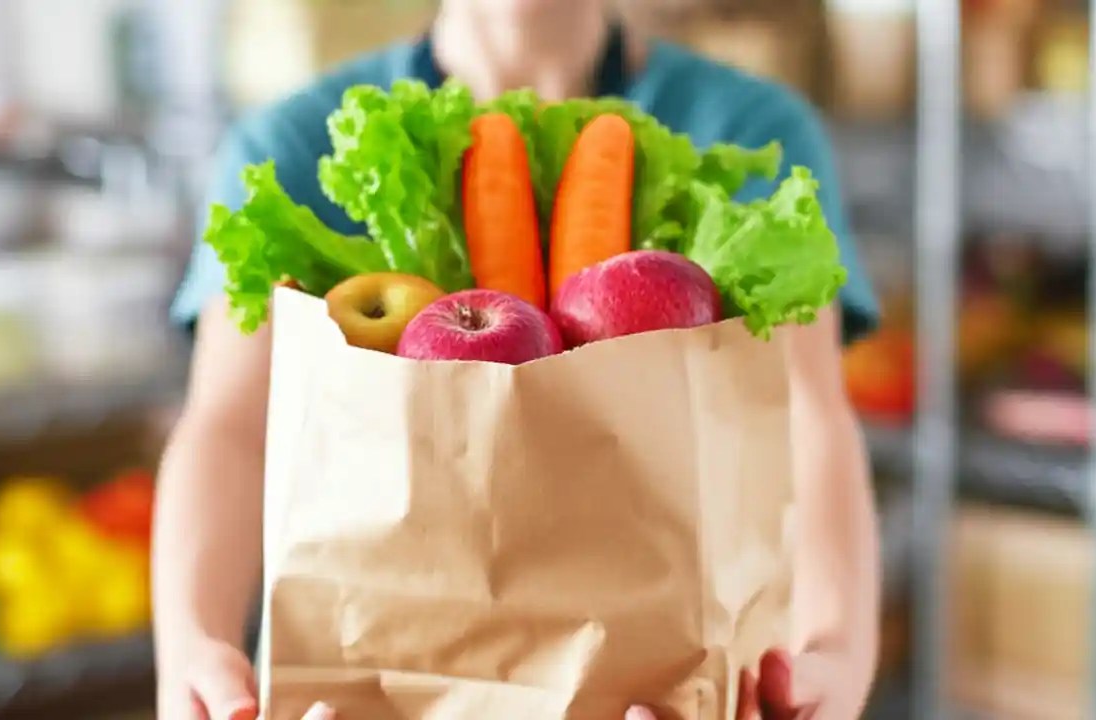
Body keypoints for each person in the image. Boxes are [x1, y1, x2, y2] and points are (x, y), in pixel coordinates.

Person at [154, 0, 882, 718]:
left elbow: (806, 416)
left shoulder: (753, 132)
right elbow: (230, 428)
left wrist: (837, 652)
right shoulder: (295, 146)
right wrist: (192, 648)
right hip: (381, 689)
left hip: (656, 683)